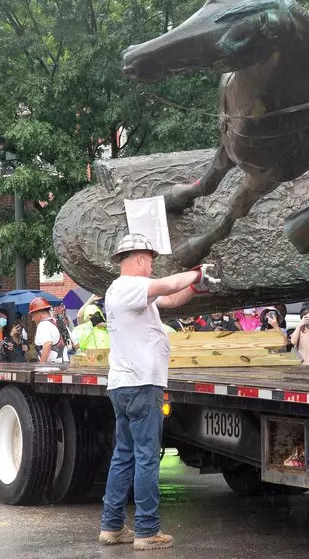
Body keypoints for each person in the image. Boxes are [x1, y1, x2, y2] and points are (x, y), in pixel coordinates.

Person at [98, 233, 219, 550]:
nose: (152, 265)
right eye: (150, 259)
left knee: (124, 455)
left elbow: (171, 299)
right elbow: (165, 286)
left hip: (125, 384)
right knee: (146, 458)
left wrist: (193, 287)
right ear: (138, 258)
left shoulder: (125, 293)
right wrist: (197, 272)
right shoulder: (130, 287)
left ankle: (112, 527)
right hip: (141, 383)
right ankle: (147, 531)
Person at [32, 297, 73, 362]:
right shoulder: (61, 323)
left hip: (51, 369)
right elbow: (76, 344)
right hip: (66, 366)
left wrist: (41, 364)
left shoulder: (43, 325)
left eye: (33, 315)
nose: (32, 319)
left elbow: (48, 344)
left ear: (39, 313)